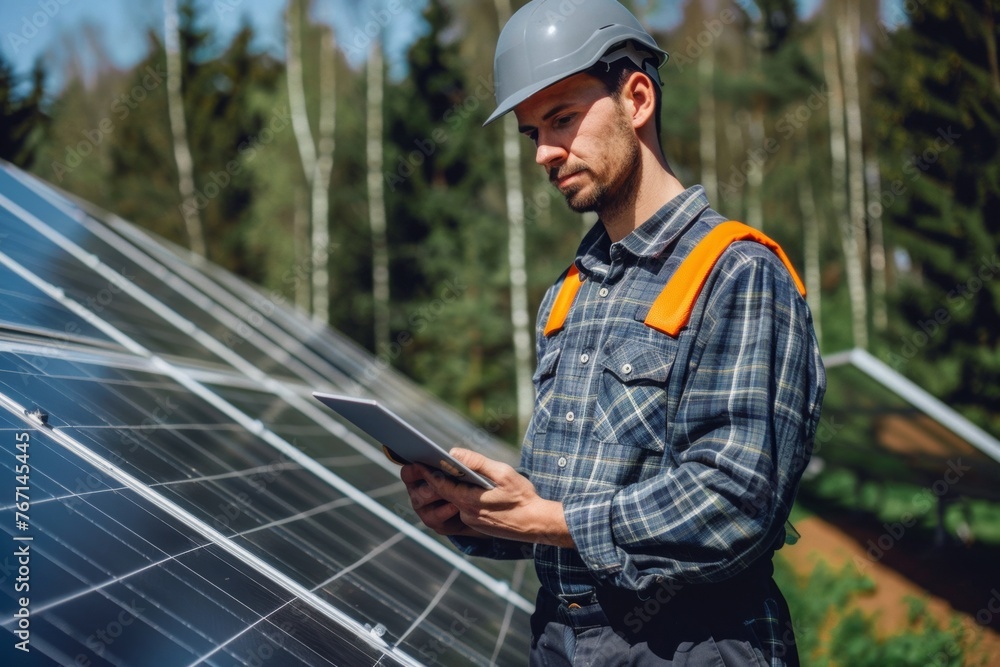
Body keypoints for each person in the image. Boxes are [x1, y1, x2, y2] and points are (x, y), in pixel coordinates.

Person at [401, 0, 826, 664]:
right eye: (532, 131)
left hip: (695, 642)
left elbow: (734, 503)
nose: (545, 151)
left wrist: (552, 520)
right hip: (562, 640)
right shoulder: (570, 293)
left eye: (563, 119)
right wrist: (481, 514)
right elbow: (561, 507)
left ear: (636, 98)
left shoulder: (737, 274)